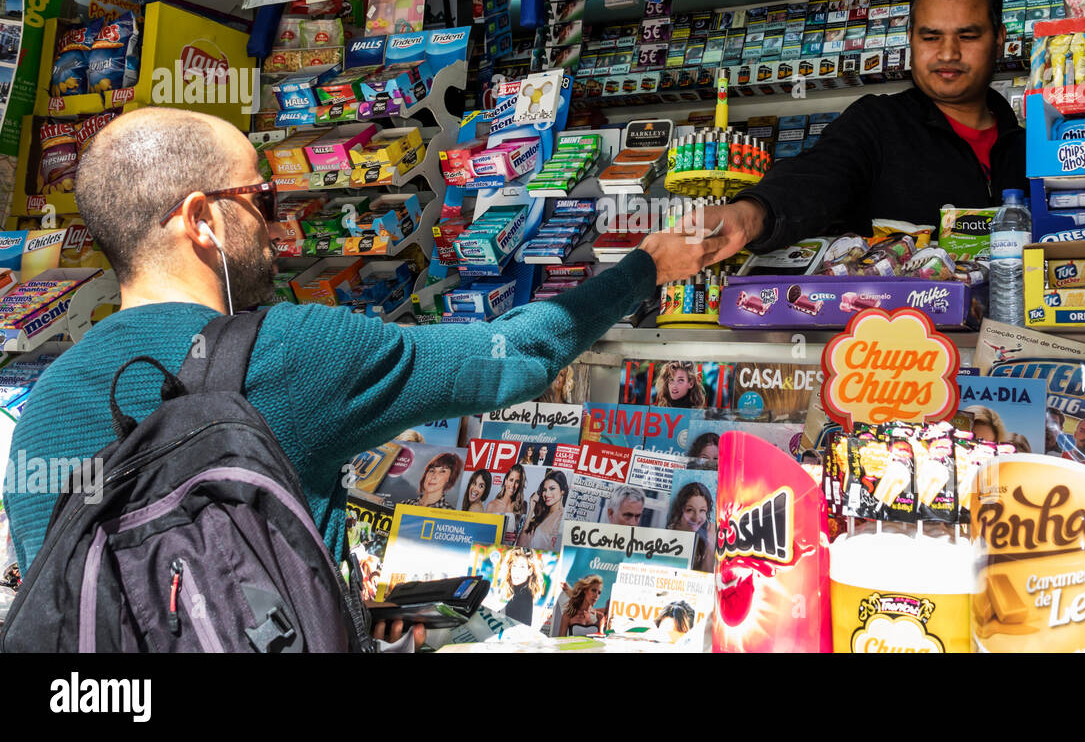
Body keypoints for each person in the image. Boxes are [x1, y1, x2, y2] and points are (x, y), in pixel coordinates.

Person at [2, 110, 720, 581]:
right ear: (203, 221)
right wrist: (646, 267)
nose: (279, 228)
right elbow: (513, 359)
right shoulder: (294, 352)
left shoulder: (43, 410)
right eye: (262, 200)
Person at [696, 0, 1028, 262]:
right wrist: (751, 214)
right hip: (896, 327)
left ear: (999, 40)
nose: (947, 53)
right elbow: (816, 176)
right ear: (910, 39)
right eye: (930, 37)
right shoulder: (877, 122)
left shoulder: (1029, 147)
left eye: (967, 36)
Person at [667, 481, 715, 572]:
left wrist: (710, 547)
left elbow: (707, 576)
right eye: (690, 510)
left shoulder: (712, 531)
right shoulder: (672, 532)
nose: (696, 518)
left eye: (702, 510)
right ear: (681, 510)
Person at [517, 469, 568, 551]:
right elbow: (520, 545)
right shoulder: (541, 515)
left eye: (552, 488)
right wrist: (531, 509)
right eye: (544, 490)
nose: (547, 494)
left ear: (562, 491)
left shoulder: (561, 516)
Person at [496, 548, 545, 626]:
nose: (516, 571)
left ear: (530, 571)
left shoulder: (523, 597)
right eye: (514, 565)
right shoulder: (521, 594)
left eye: (522, 567)